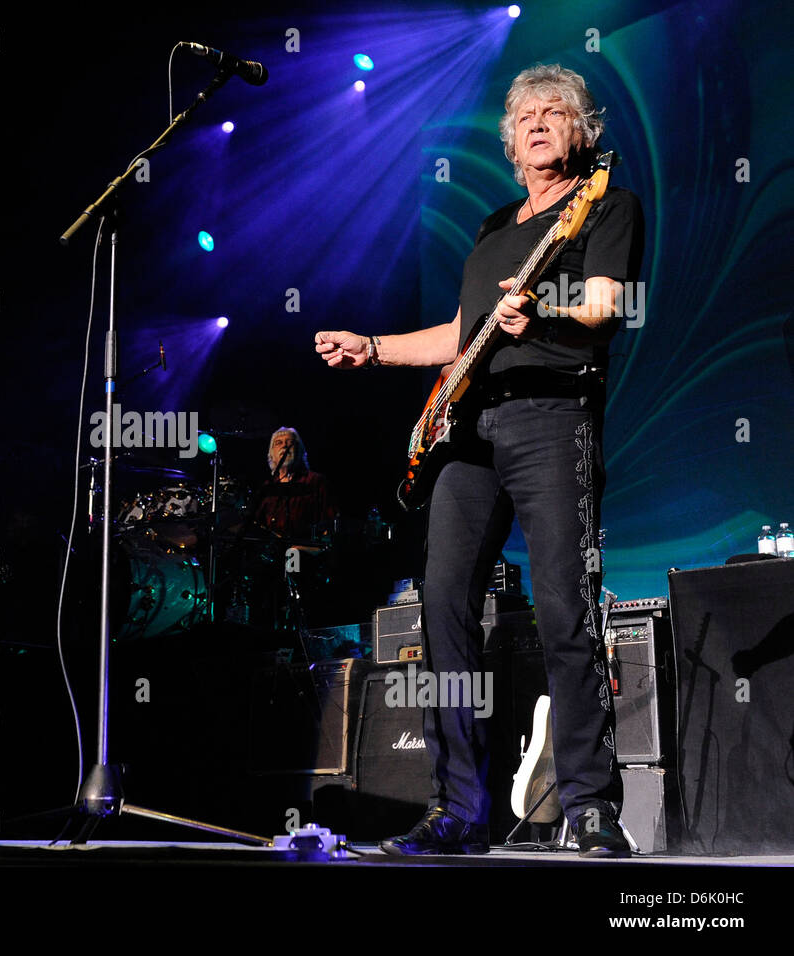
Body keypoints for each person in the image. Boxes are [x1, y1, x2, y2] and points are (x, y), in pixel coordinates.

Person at [315, 64, 643, 858]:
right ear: (509, 138)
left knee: (564, 610)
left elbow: (607, 308)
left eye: (555, 112)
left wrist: (542, 317)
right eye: (524, 113)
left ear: (581, 130)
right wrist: (376, 348)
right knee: (443, 606)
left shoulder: (604, 205)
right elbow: (463, 335)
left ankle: (592, 807)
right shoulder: (494, 223)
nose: (536, 122)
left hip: (551, 417)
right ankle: (455, 809)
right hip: (467, 434)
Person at [250, 427, 336, 541]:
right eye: (278, 443)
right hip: (273, 553)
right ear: (271, 455)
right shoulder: (267, 487)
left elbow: (330, 522)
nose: (284, 446)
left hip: (305, 551)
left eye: (290, 442)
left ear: (299, 450)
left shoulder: (316, 481)